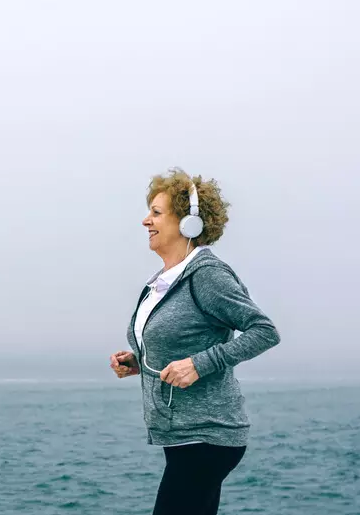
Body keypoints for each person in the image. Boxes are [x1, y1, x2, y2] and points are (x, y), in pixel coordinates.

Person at [109, 168, 280, 515]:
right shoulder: (163, 281)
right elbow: (182, 341)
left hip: (208, 436)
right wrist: (140, 361)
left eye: (156, 213)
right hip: (183, 436)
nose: (146, 221)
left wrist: (199, 365)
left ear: (188, 223)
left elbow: (264, 331)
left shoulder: (207, 275)